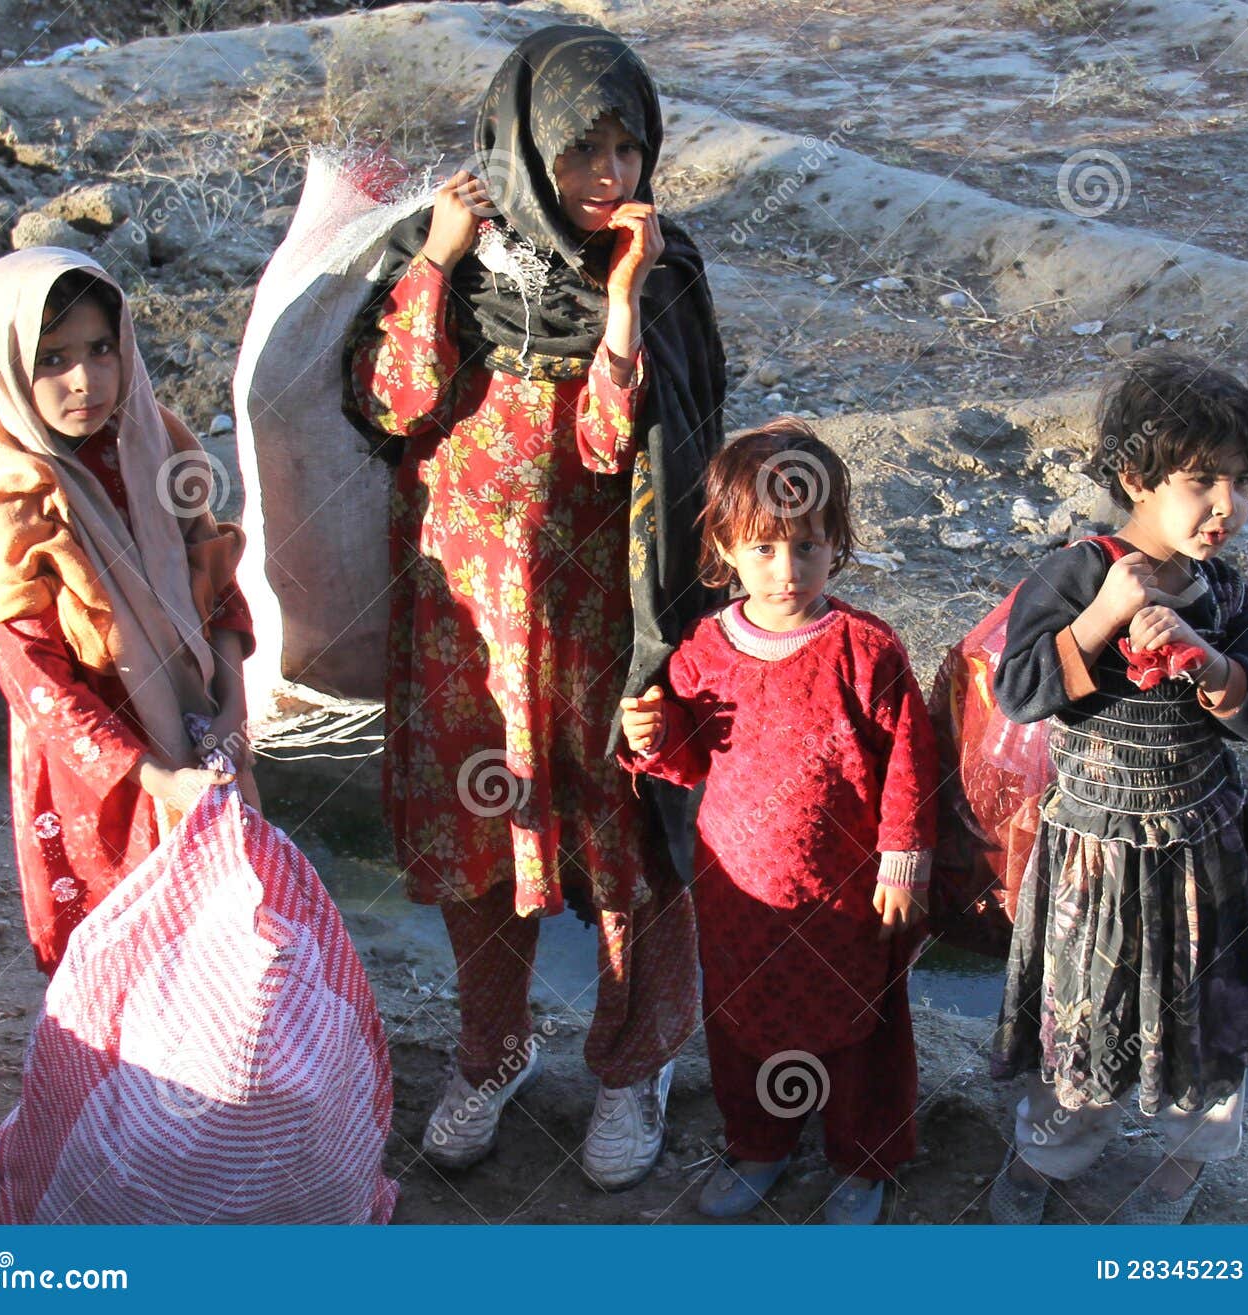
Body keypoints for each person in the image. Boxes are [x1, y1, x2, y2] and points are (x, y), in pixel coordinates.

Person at [344, 24, 725, 1188]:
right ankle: (492, 1050)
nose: (611, 178)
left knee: (624, 858)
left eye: (627, 148)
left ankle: (632, 1066)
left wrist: (618, 306)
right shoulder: (445, 252)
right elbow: (394, 405)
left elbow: (627, 454)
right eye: (582, 152)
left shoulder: (660, 271)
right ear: (522, 146)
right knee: (477, 849)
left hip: (593, 634)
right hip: (463, 632)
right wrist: (433, 264)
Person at [987, 349, 1248, 1225]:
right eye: (1202, 481)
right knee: (1083, 1011)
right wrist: (1101, 618)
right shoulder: (1073, 573)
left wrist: (1212, 666)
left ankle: (1187, 1161)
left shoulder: (1228, 597)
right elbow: (1020, 690)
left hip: (1204, 856)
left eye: (1238, 481)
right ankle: (1052, 1151)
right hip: (1094, 852)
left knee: (1212, 1013)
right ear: (1136, 477)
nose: (1226, 506)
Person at [619, 420, 936, 1224]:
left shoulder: (867, 650)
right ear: (724, 546)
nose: (785, 570)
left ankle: (862, 1161)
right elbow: (690, 758)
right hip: (739, 897)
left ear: (839, 542)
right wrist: (650, 735)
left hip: (850, 899)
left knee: (859, 1028)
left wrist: (902, 860)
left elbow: (910, 760)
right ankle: (759, 1143)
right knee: (742, 1024)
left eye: (807, 546)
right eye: (762, 548)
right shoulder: (704, 650)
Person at [0, 248, 257, 976]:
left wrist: (231, 713)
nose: (85, 380)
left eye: (101, 349)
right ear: (6, 367)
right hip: (101, 774)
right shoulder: (14, 493)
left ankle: (217, 1093)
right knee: (122, 955)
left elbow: (215, 581)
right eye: (52, 359)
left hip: (201, 737)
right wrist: (157, 777)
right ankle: (121, 1092)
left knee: (225, 949)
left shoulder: (157, 443)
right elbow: (35, 683)